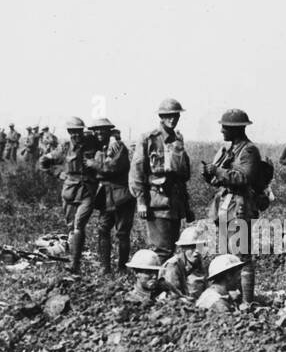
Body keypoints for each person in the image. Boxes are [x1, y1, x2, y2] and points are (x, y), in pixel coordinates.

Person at [201, 108, 263, 305]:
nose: (222, 131)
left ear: (237, 129)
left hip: (239, 207)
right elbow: (219, 180)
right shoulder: (229, 150)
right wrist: (209, 175)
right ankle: (231, 297)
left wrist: (218, 171)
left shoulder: (249, 150)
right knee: (225, 254)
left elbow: (244, 177)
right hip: (225, 206)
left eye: (226, 127)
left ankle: (247, 302)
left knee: (241, 255)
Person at [130, 98, 193, 263]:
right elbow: (137, 172)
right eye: (167, 116)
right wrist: (141, 201)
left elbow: (183, 176)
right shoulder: (148, 139)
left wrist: (186, 207)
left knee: (171, 248)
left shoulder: (178, 140)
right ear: (161, 117)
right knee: (162, 251)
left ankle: (169, 285)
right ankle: (158, 286)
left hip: (175, 203)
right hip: (157, 202)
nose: (172, 119)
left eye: (175, 115)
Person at [40, 116, 100, 275]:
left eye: (78, 131)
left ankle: (75, 264)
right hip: (69, 191)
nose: (76, 135)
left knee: (78, 226)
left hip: (88, 189)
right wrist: (58, 173)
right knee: (70, 227)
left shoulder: (92, 142)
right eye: (72, 132)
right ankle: (74, 262)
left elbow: (106, 142)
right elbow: (44, 161)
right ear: (68, 132)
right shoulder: (64, 147)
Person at [88, 117, 135, 274]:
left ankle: (122, 268)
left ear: (109, 131)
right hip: (106, 196)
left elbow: (111, 168)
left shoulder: (118, 146)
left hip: (122, 195)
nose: (99, 132)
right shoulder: (98, 148)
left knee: (122, 232)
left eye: (103, 129)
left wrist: (93, 165)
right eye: (96, 130)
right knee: (103, 229)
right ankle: (105, 267)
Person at [162, 226, 206, 298]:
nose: (197, 251)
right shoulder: (173, 266)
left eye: (200, 247)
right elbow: (174, 295)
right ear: (183, 248)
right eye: (192, 247)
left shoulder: (199, 262)